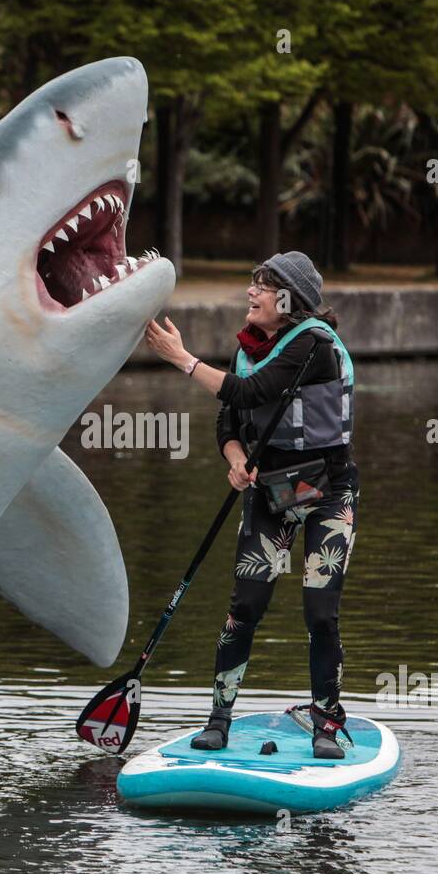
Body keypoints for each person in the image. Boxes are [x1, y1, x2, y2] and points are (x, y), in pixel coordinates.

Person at [144, 251, 358, 759]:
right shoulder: (251, 348)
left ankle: (326, 725)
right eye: (253, 281)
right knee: (245, 607)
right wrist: (236, 456)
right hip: (273, 494)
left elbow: (251, 390)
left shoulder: (312, 345)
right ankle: (218, 720)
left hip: (327, 492)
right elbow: (230, 416)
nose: (251, 291)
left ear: (289, 300)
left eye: (263, 285)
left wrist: (182, 359)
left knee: (320, 614)